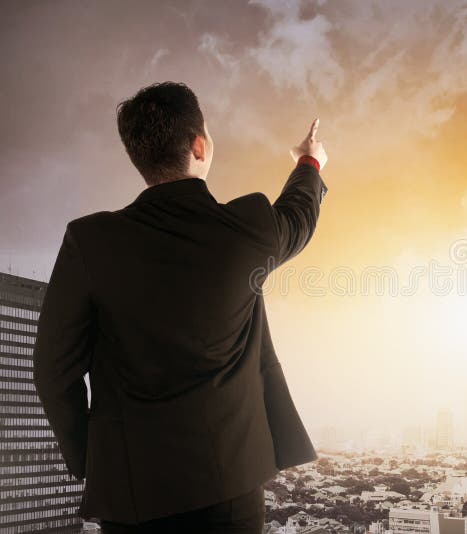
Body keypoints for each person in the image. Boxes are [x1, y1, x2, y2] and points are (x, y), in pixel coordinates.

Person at [31, 81, 328, 533]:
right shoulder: (246, 227)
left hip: (131, 496)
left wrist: (93, 458)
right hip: (230, 487)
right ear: (198, 145)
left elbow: (53, 373)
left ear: (139, 157)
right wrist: (309, 160)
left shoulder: (90, 242)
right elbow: (299, 214)